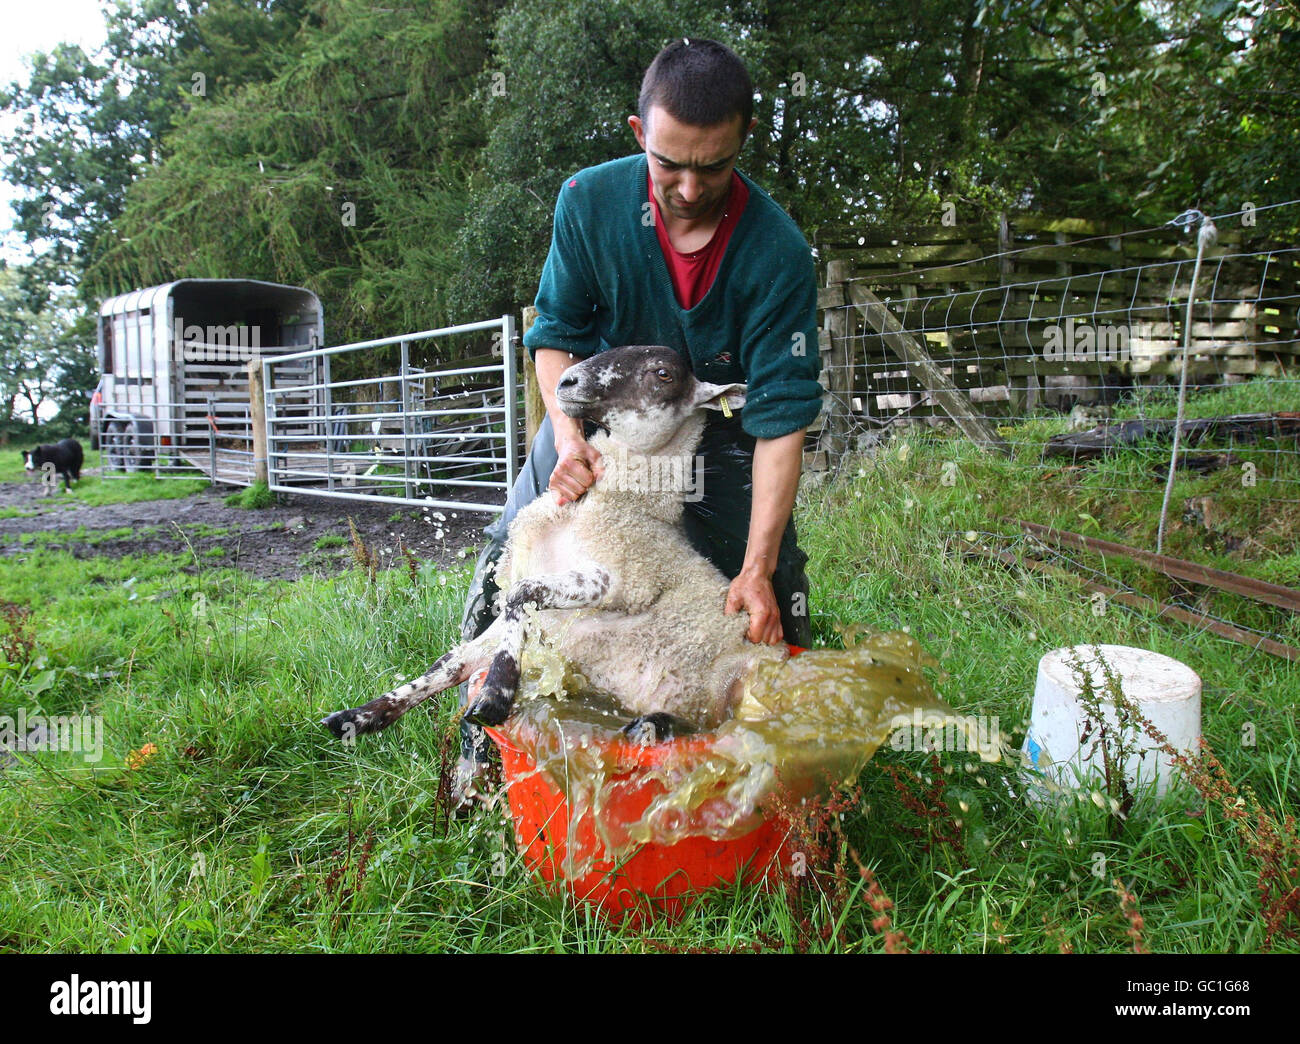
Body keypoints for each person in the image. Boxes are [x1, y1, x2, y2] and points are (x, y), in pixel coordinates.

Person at [454, 38, 823, 801]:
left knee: (770, 594)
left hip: (715, 430)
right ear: (637, 134)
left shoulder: (778, 253)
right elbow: (553, 335)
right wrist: (566, 439)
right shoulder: (588, 201)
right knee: (512, 557)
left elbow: (780, 420)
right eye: (668, 163)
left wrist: (755, 567)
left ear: (743, 142)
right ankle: (478, 746)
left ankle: (780, 761)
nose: (689, 187)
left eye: (714, 166)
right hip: (592, 422)